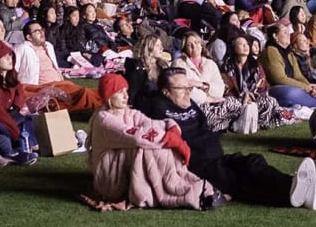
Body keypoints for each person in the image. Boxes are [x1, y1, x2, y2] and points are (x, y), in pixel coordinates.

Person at [144, 66, 316, 209]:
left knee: (252, 162)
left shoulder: (190, 104)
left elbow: (205, 127)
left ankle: (297, 186)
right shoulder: (157, 108)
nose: (188, 92)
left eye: (189, 87)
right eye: (182, 88)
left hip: (215, 157)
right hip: (195, 166)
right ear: (166, 92)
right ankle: (293, 191)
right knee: (240, 179)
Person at [88, 73, 220, 209]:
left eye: (126, 91)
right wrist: (169, 139)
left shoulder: (128, 113)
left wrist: (172, 128)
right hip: (110, 179)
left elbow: (152, 123)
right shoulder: (103, 119)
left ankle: (181, 187)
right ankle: (173, 192)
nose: (126, 96)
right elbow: (135, 136)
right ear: (109, 96)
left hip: (125, 173)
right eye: (120, 92)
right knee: (145, 147)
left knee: (155, 140)